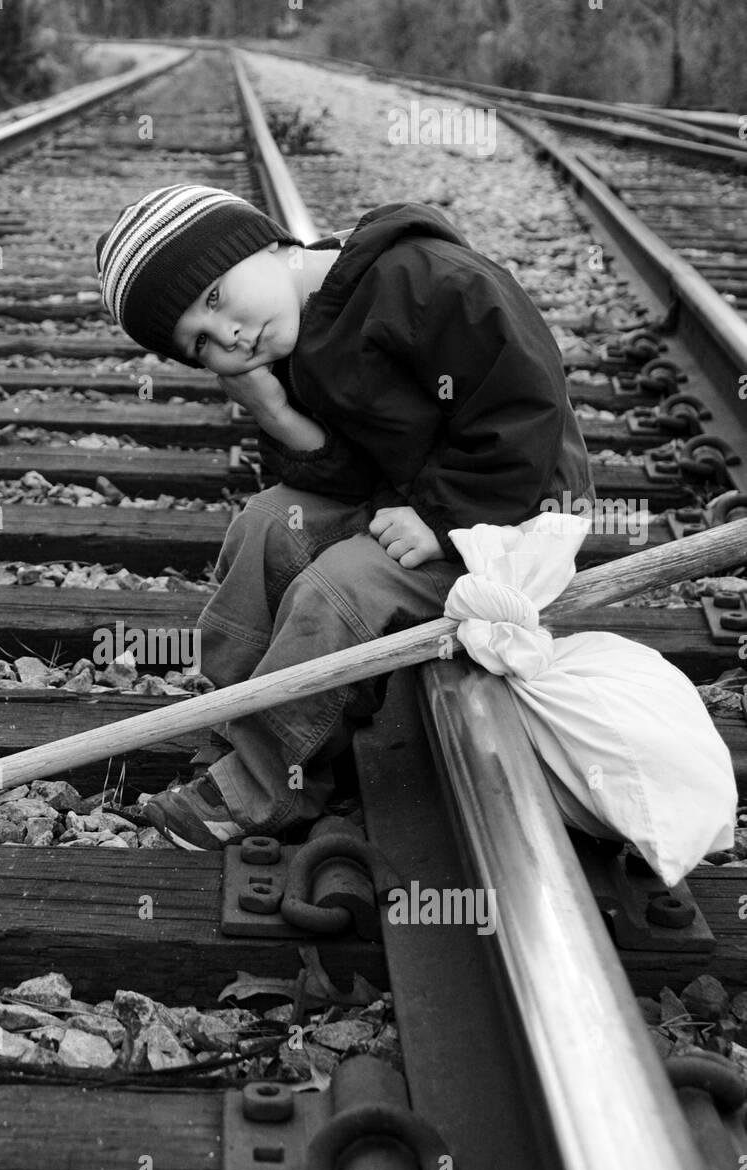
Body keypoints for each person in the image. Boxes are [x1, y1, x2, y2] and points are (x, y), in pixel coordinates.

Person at [95, 184, 593, 850]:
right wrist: (272, 410)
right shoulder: (287, 333)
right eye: (201, 343)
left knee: (338, 588)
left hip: (507, 516)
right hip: (402, 495)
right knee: (267, 525)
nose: (230, 337)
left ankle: (271, 782)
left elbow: (525, 412)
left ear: (263, 243)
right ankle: (240, 715)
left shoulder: (427, 282)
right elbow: (344, 475)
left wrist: (437, 516)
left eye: (213, 298)